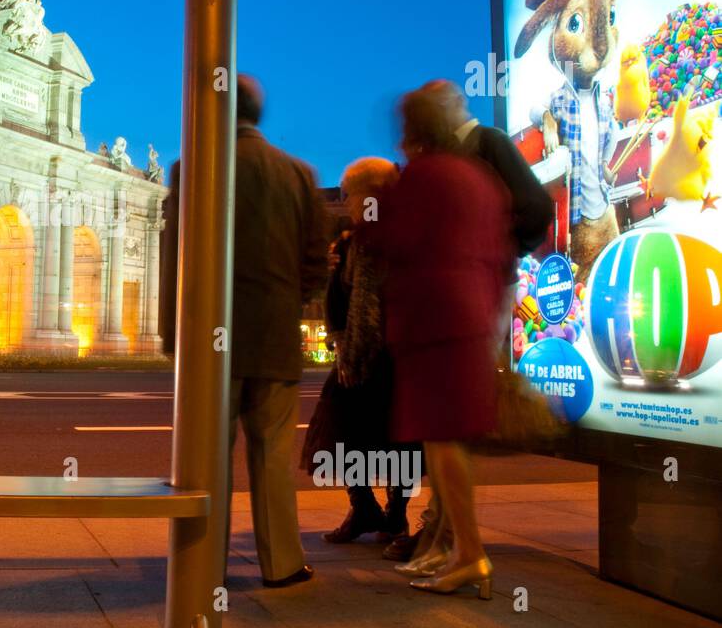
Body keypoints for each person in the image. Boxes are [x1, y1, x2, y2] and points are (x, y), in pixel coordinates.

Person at [161, 74, 328, 588]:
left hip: (212, 339)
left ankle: (205, 563)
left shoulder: (192, 168)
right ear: (257, 114)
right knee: (273, 453)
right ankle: (282, 564)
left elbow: (175, 260)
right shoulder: (299, 173)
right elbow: (316, 264)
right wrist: (283, 305)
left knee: (208, 454)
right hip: (275, 338)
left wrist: (172, 334)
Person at [381, 80, 551, 566]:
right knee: (444, 429)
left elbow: (534, 207)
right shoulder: (460, 164)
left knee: (444, 427)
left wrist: (500, 259)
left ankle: (455, 544)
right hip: (469, 303)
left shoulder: (480, 148)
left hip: (450, 312)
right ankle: (447, 539)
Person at [301, 157, 413, 544]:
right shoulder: (362, 235)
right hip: (374, 353)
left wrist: (352, 352)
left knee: (351, 432)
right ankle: (378, 512)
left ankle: (382, 511)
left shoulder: (376, 234)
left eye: (349, 192)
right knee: (382, 436)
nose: (346, 200)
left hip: (374, 356)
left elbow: (367, 300)